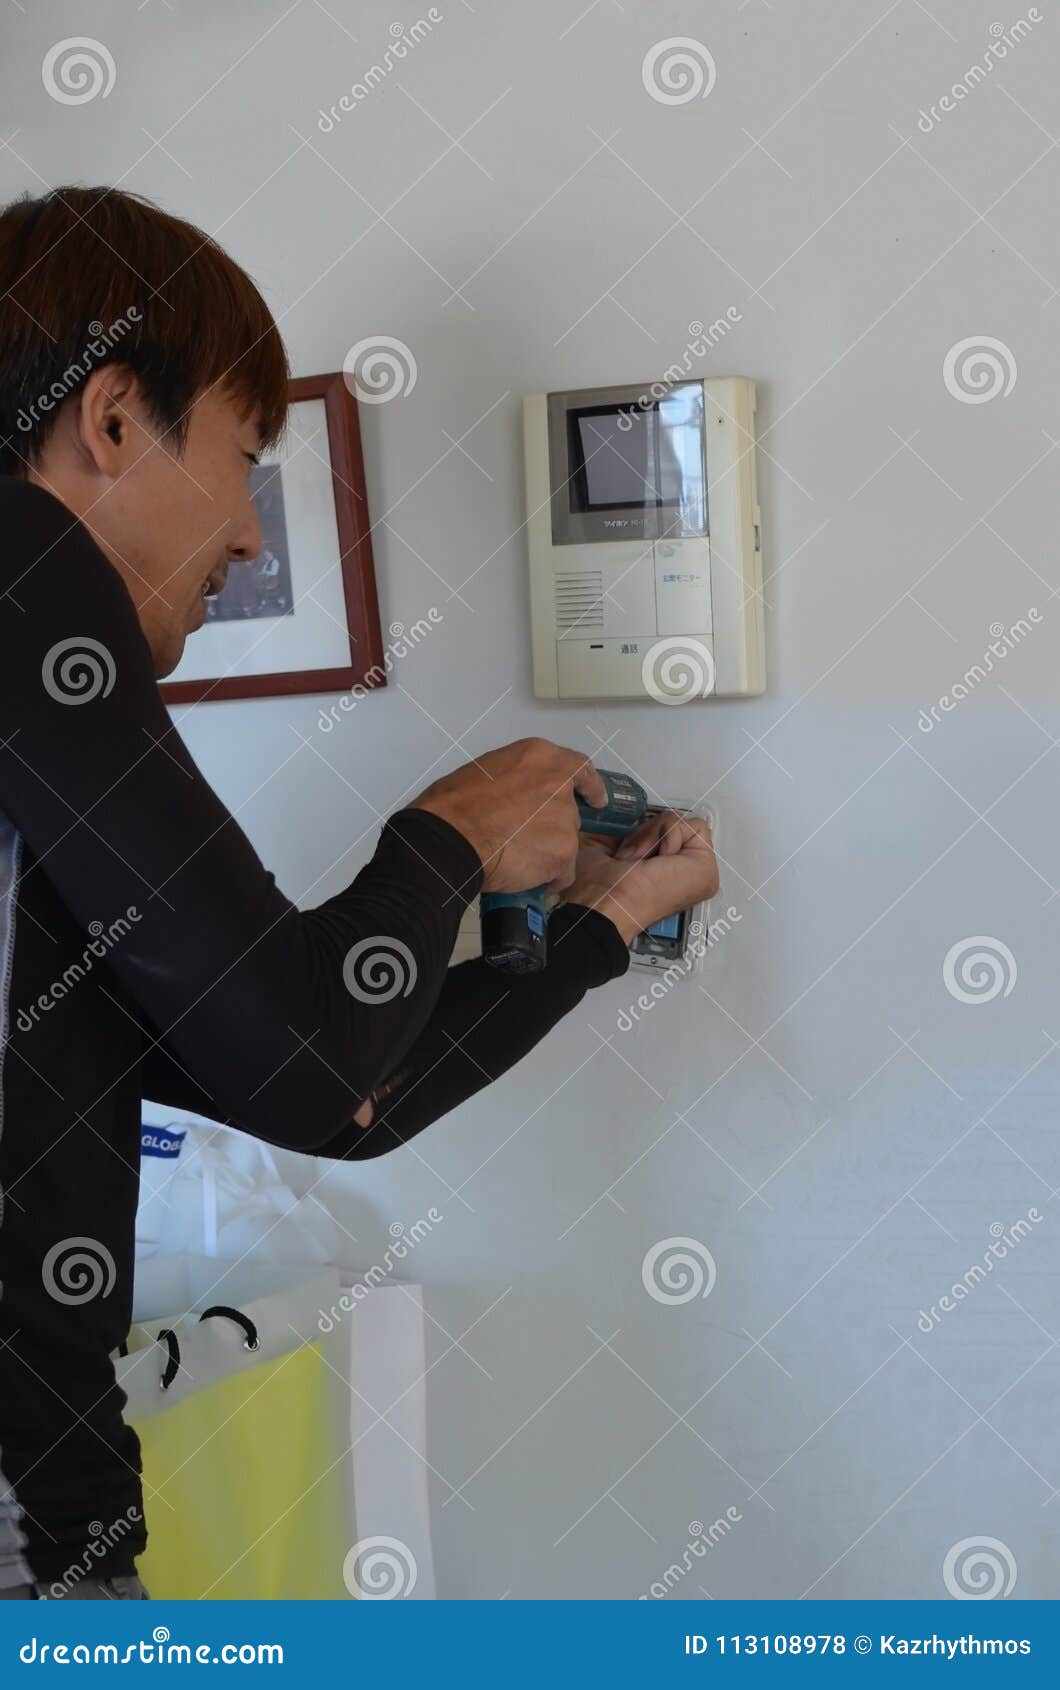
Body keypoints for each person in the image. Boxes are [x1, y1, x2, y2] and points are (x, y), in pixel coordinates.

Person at [0, 186, 719, 1599]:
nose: (256, 542)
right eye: (245, 457)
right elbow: (306, 1046)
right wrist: (448, 830)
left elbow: (330, 1092)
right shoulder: (25, 571)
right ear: (113, 418)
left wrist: (597, 929)